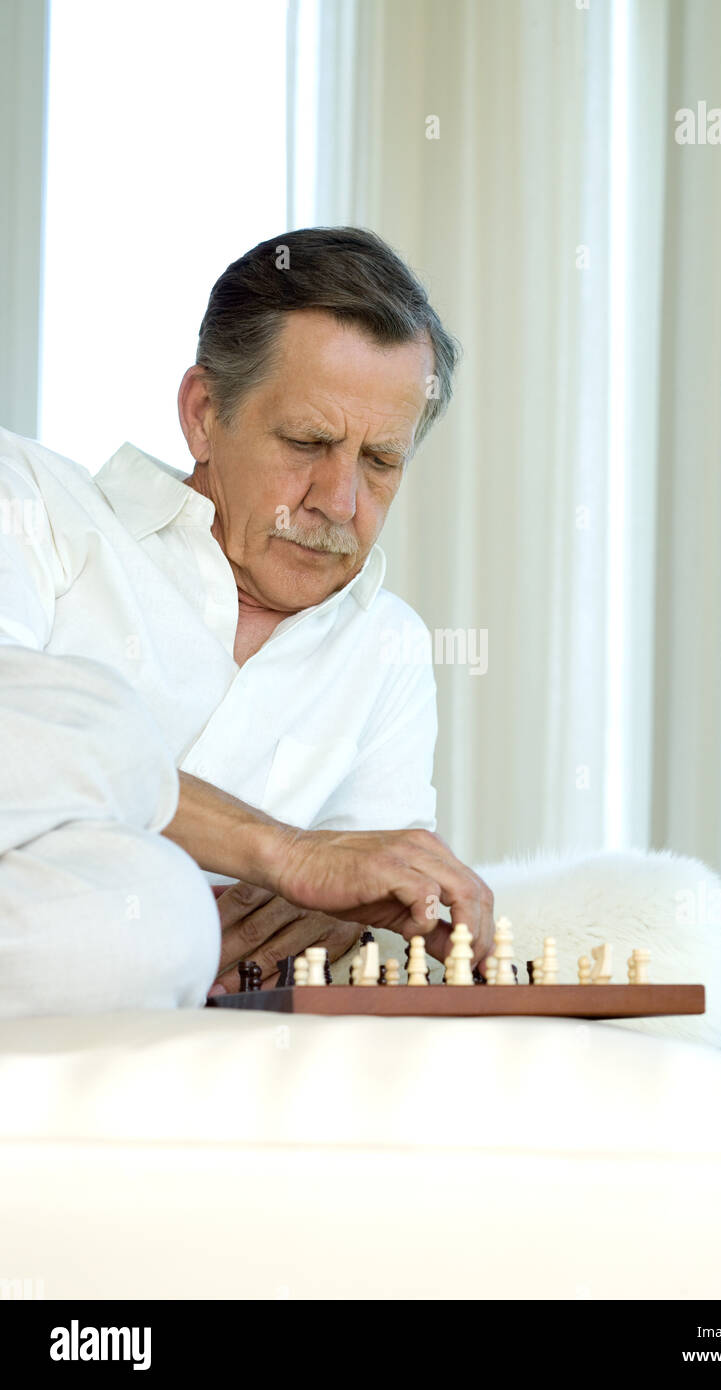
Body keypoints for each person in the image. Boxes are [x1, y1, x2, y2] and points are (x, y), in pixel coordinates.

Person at [0, 227, 494, 1017]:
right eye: (308, 442)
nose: (340, 502)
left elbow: (386, 907)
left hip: (200, 1071)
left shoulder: (387, 650)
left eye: (380, 461)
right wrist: (284, 854)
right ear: (203, 413)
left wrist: (348, 922)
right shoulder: (30, 500)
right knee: (161, 911)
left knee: (155, 909)